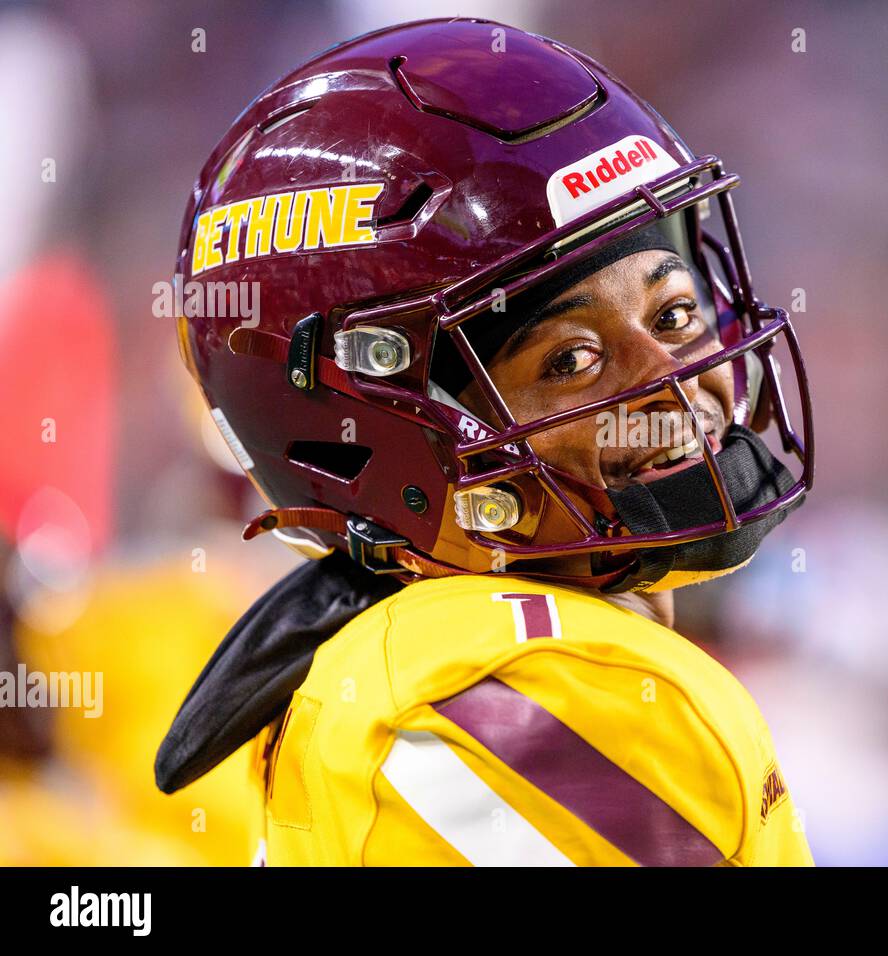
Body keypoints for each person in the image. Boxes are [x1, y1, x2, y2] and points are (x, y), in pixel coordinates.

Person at [158, 17, 815, 866]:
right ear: (376, 433)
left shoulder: (412, 655)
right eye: (573, 358)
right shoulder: (519, 692)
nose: (677, 380)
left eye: (675, 313)